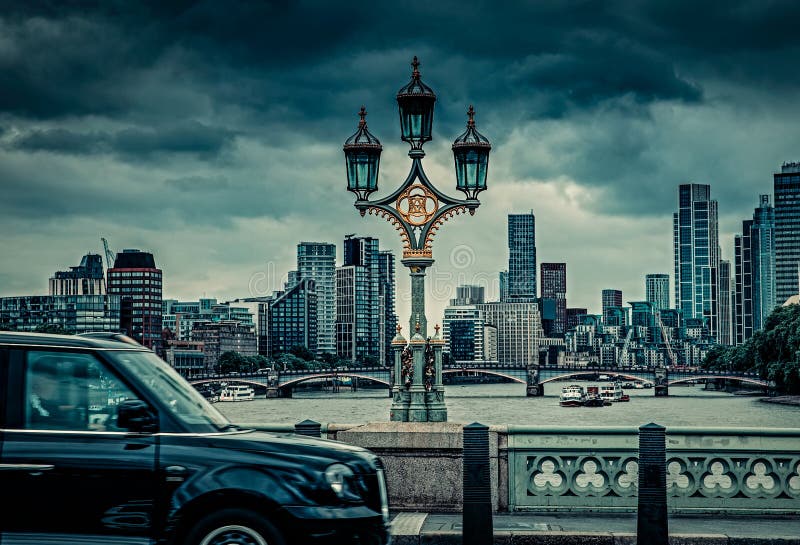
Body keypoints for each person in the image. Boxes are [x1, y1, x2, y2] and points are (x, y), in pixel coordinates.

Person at [28, 359, 76, 429]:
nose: (55, 383)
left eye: (55, 379)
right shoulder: (29, 407)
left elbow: (57, 412)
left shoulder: (47, 404)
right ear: (35, 379)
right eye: (49, 378)